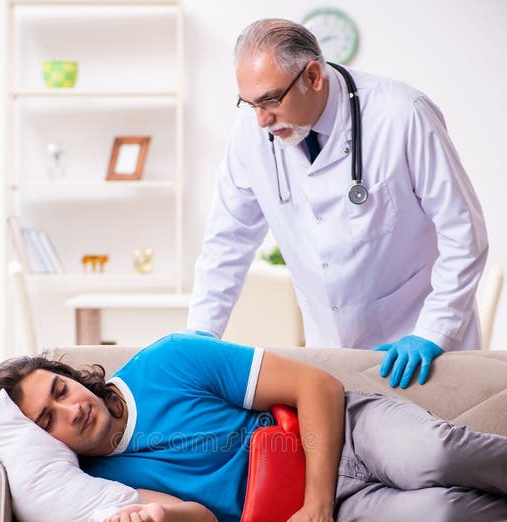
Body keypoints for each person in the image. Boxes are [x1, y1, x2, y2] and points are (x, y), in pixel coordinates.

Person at [0, 333, 507, 522]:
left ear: (74, 375)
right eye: (48, 420)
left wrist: (316, 502)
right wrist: (152, 521)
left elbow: (315, 387)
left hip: (343, 435)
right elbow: (198, 520)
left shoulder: (169, 361)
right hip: (337, 512)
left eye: (61, 389)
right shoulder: (97, 489)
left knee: (431, 457)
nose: (72, 408)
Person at [187, 18, 489, 389]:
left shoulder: (402, 114)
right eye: (249, 104)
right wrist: (200, 335)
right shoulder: (252, 131)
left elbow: (463, 232)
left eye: (271, 100)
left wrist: (432, 330)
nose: (262, 119)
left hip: (421, 345)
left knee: (437, 445)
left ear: (313, 76)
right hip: (333, 355)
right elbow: (227, 242)